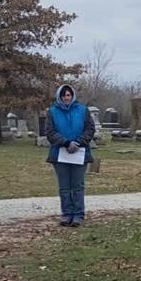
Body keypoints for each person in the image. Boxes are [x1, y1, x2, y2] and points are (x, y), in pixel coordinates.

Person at [43, 84, 95, 227]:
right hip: (60, 154)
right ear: (59, 96)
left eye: (69, 95)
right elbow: (50, 132)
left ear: (72, 96)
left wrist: (78, 142)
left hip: (79, 153)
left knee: (77, 185)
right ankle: (66, 213)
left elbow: (90, 129)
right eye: (64, 95)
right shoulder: (52, 112)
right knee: (64, 186)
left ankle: (78, 214)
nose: (67, 98)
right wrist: (66, 143)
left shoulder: (83, 110)